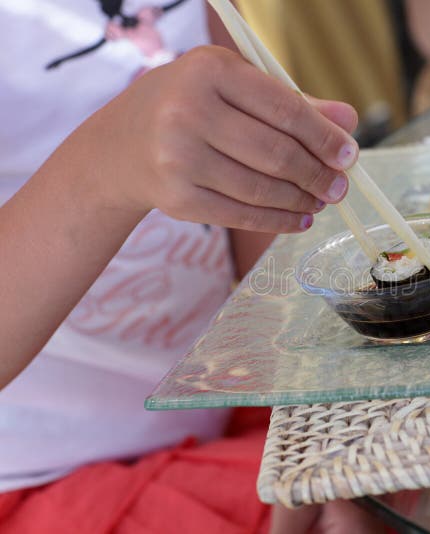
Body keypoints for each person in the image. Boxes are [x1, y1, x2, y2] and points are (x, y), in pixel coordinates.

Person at [0, 0, 388, 531]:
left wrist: (317, 430)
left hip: (222, 408)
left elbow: (266, 250)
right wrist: (104, 163)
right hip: (42, 478)